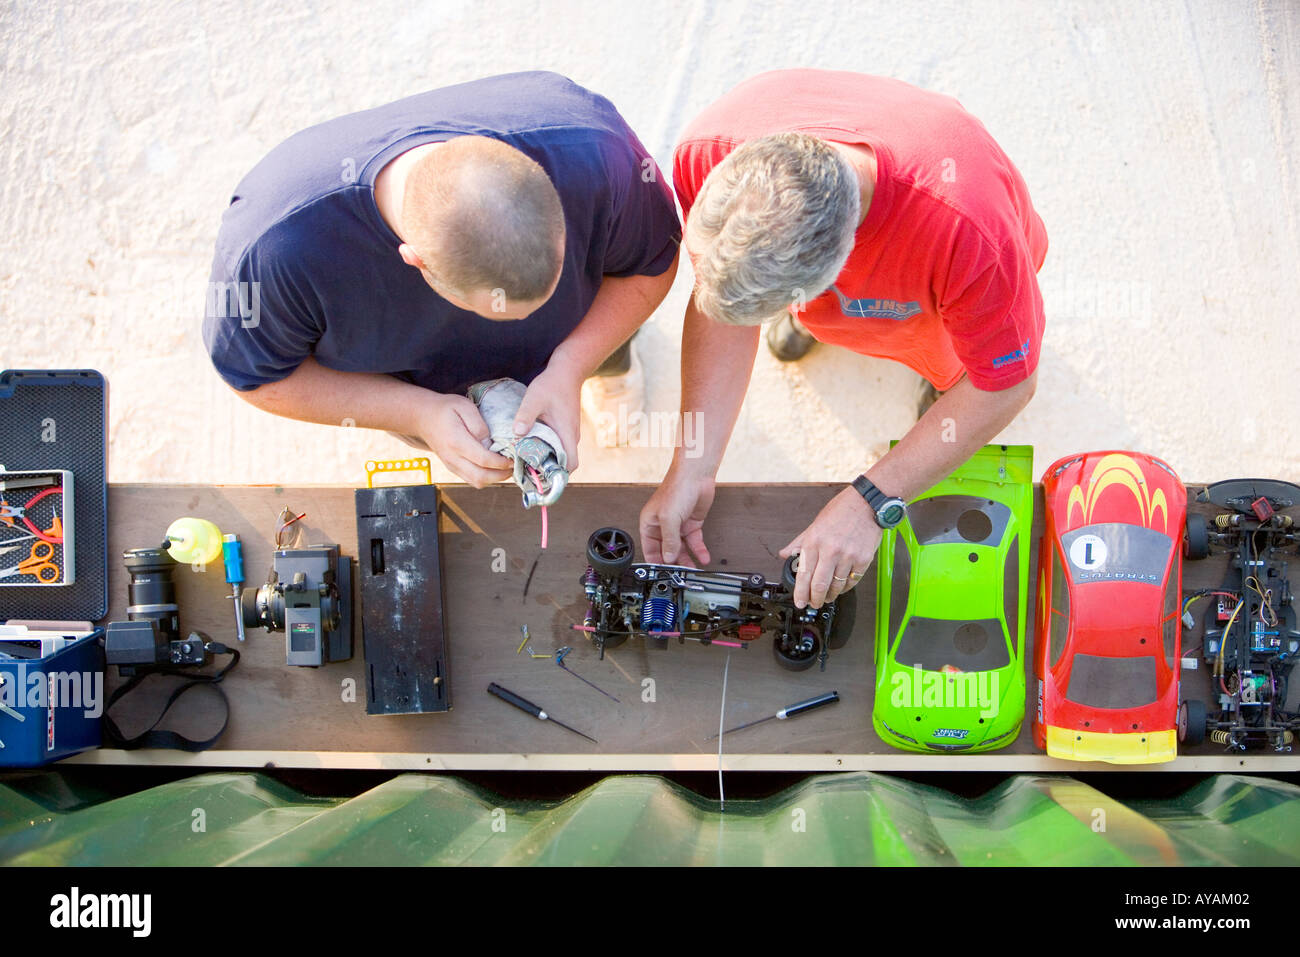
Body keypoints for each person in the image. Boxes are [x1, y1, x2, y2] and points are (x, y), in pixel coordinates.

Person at [640, 69, 1047, 611]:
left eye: (779, 303)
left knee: (960, 384)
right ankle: (792, 310)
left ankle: (935, 386)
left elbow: (1006, 386)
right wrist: (692, 463)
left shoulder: (970, 236)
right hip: (824, 276)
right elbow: (719, 304)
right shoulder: (708, 150)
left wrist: (872, 501)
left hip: (939, 307)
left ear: (842, 267)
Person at [203, 71, 680, 485]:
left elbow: (650, 263)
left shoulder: (598, 153)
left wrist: (571, 365)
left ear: (550, 190)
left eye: (552, 290)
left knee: (606, 342)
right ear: (415, 261)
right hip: (422, 383)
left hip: (584, 337)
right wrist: (416, 412)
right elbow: (257, 379)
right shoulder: (269, 252)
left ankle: (610, 370)